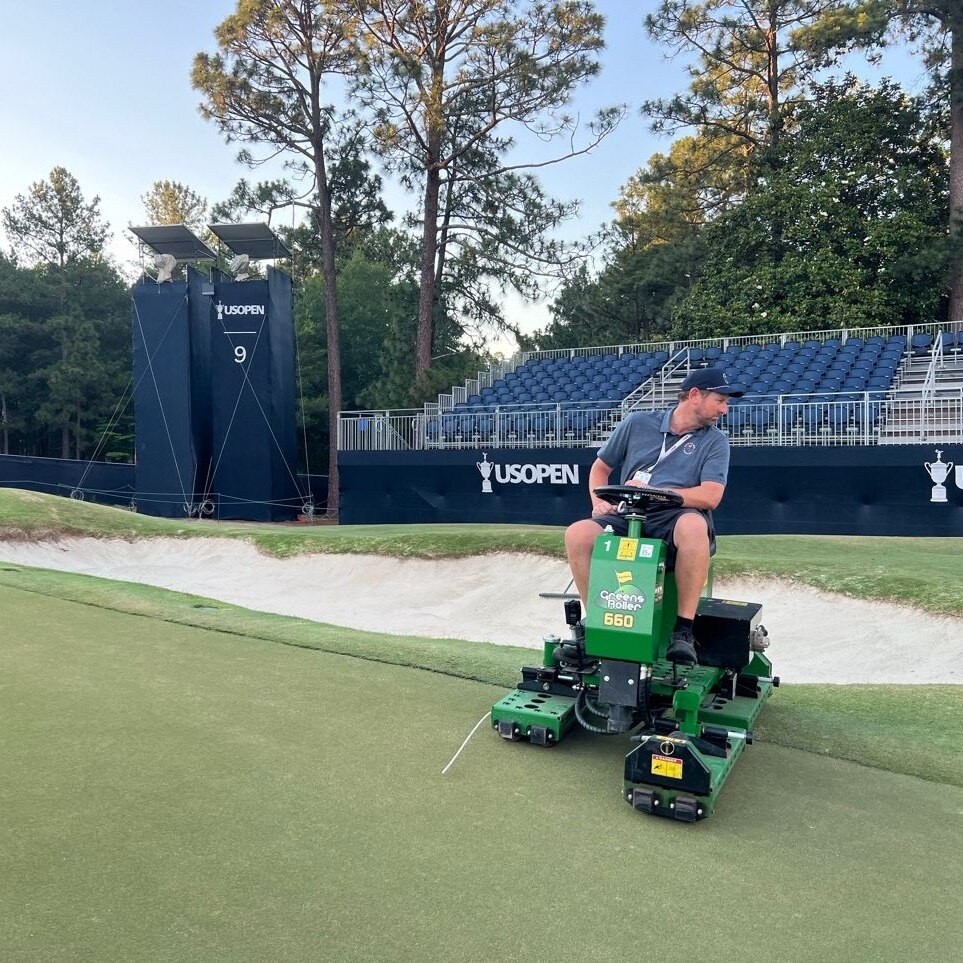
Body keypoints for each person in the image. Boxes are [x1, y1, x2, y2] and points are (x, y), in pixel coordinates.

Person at [564, 367, 743, 665]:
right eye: (720, 401)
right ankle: (593, 626)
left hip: (675, 516)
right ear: (695, 396)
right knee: (578, 534)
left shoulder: (715, 441)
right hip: (629, 513)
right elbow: (600, 468)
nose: (724, 410)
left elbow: (711, 496)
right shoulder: (637, 423)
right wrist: (598, 500)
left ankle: (683, 632)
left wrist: (658, 491)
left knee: (694, 525)